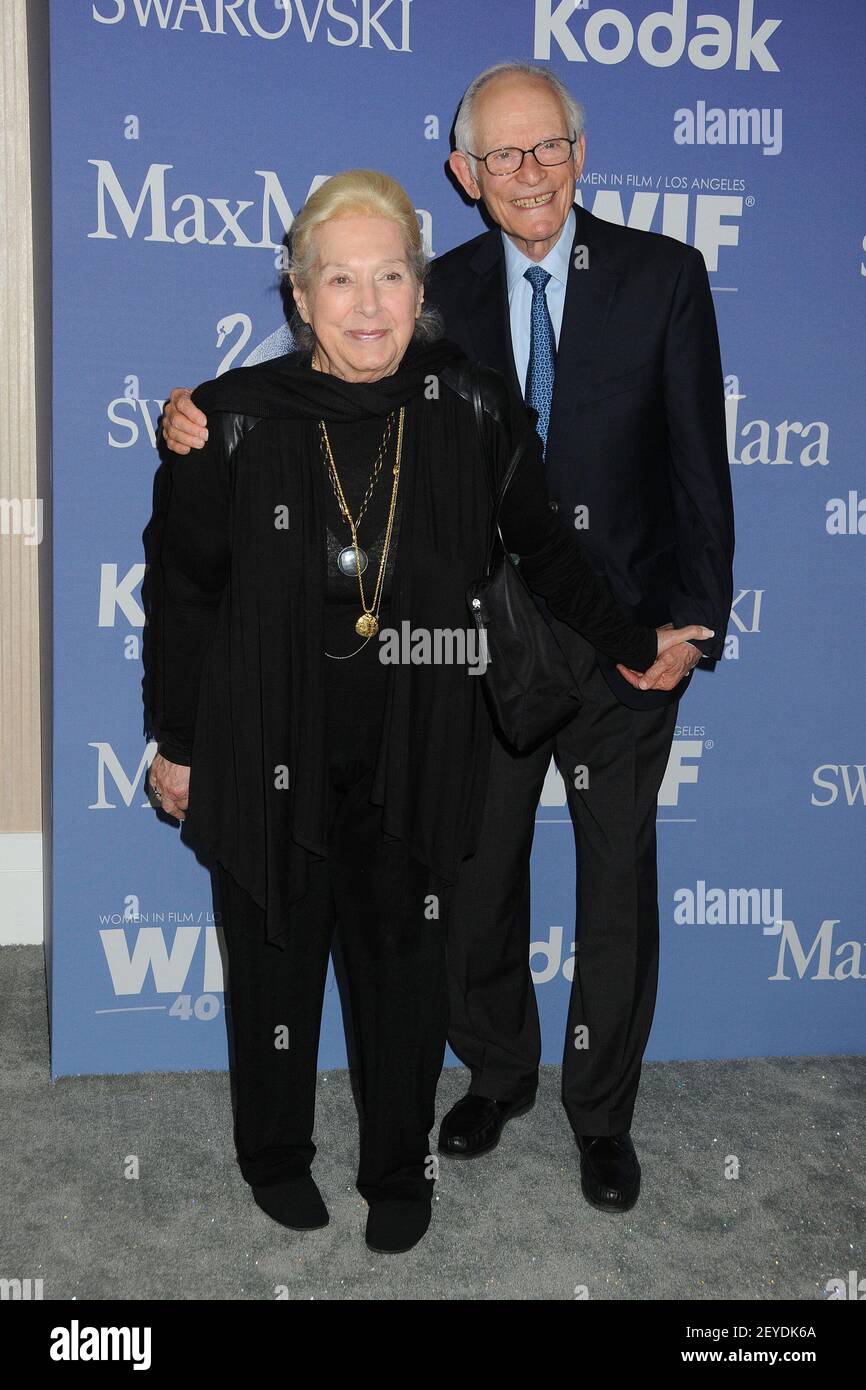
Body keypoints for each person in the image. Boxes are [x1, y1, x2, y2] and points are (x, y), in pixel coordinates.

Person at [161, 63, 735, 1221]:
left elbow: (691, 466)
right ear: (463, 176)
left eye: (549, 148)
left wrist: (677, 628)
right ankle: (492, 1078)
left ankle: (598, 1118)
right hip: (464, 653)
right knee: (464, 891)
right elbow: (320, 419)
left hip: (593, 636)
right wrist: (202, 415)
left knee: (607, 884)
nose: (529, 174)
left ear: (578, 151)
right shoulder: (421, 307)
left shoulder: (659, 277)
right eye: (503, 156)